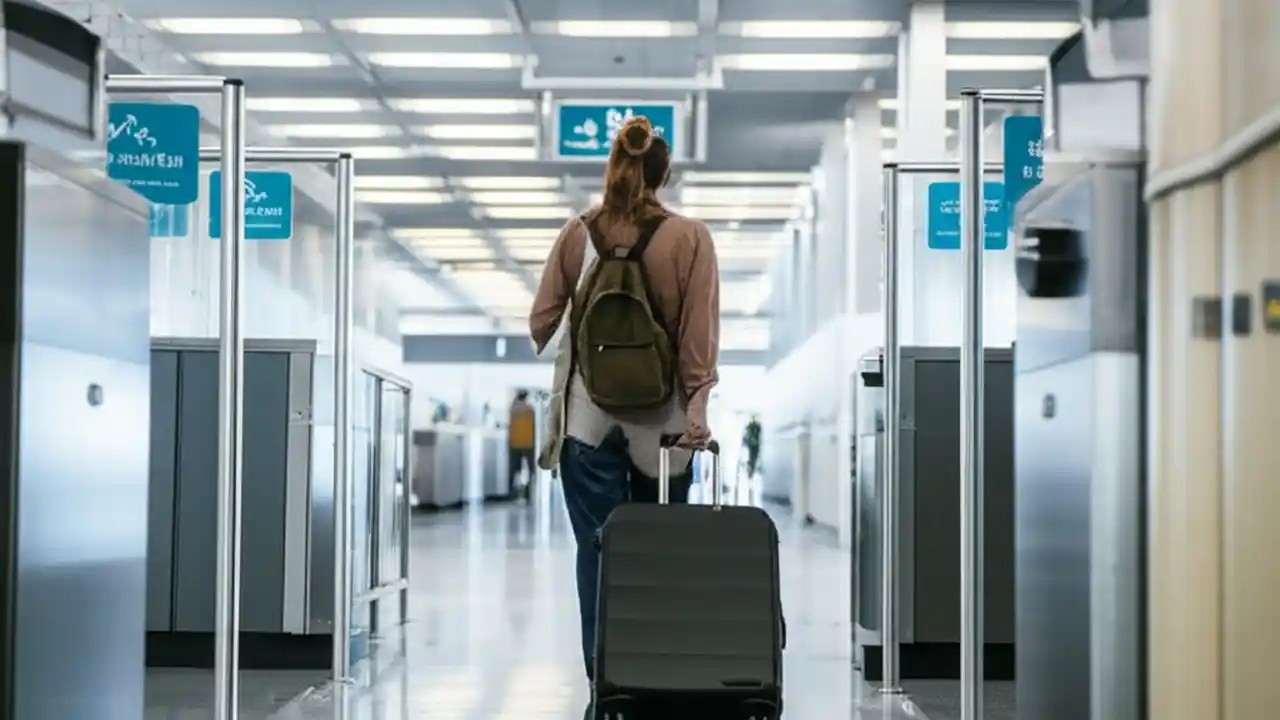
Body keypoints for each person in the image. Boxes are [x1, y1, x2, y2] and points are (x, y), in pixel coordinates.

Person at [528, 115, 720, 715]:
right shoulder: (689, 237)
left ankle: (604, 682)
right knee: (659, 552)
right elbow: (698, 336)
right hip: (662, 426)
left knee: (597, 547)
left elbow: (541, 322)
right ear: (663, 175)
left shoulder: (576, 233)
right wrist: (697, 406)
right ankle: (655, 673)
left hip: (588, 419)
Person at [507, 390, 537, 500]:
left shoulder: (512, 409)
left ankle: (512, 493)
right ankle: (528, 493)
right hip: (528, 443)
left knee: (513, 470)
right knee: (530, 470)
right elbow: (534, 426)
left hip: (514, 443)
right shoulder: (530, 409)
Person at [743, 414, 762, 479]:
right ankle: (753, 422)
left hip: (753, 445)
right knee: (753, 457)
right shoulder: (751, 463)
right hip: (754, 445)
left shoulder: (751, 463)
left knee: (753, 457)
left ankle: (753, 422)